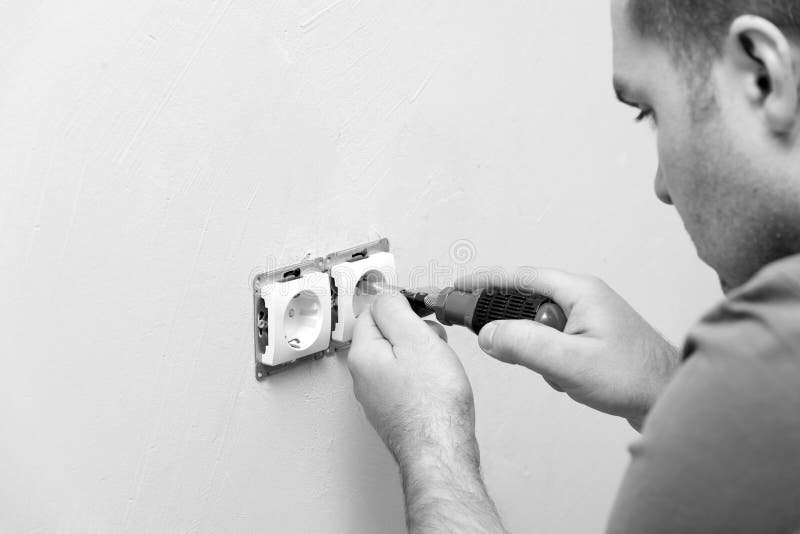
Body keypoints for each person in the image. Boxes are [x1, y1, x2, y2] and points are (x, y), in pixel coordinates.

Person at [347, 0, 800, 532]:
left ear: (763, 73)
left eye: (650, 110)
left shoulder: (764, 368)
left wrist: (431, 441)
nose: (662, 187)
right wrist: (667, 387)